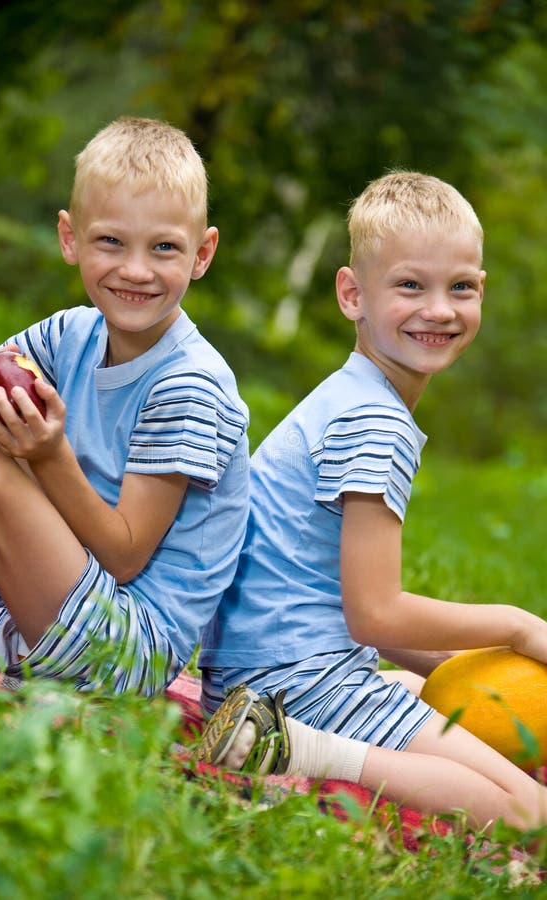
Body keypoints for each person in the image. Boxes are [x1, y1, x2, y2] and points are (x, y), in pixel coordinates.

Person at [196, 171, 547, 836]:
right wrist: (517, 627)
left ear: (481, 292)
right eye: (411, 286)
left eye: (461, 287)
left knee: (442, 692)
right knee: (531, 815)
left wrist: (451, 665)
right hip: (295, 682)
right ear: (352, 294)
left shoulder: (352, 396)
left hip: (259, 664)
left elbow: (360, 616)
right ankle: (293, 747)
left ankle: (286, 731)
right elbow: (376, 613)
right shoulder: (374, 425)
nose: (439, 309)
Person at [0, 116, 249, 695]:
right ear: (70, 238)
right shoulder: (71, 335)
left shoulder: (189, 383)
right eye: (111, 241)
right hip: (61, 606)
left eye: (164, 248)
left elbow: (126, 554)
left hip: (126, 649)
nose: (135, 270)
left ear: (203, 252)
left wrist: (47, 454)